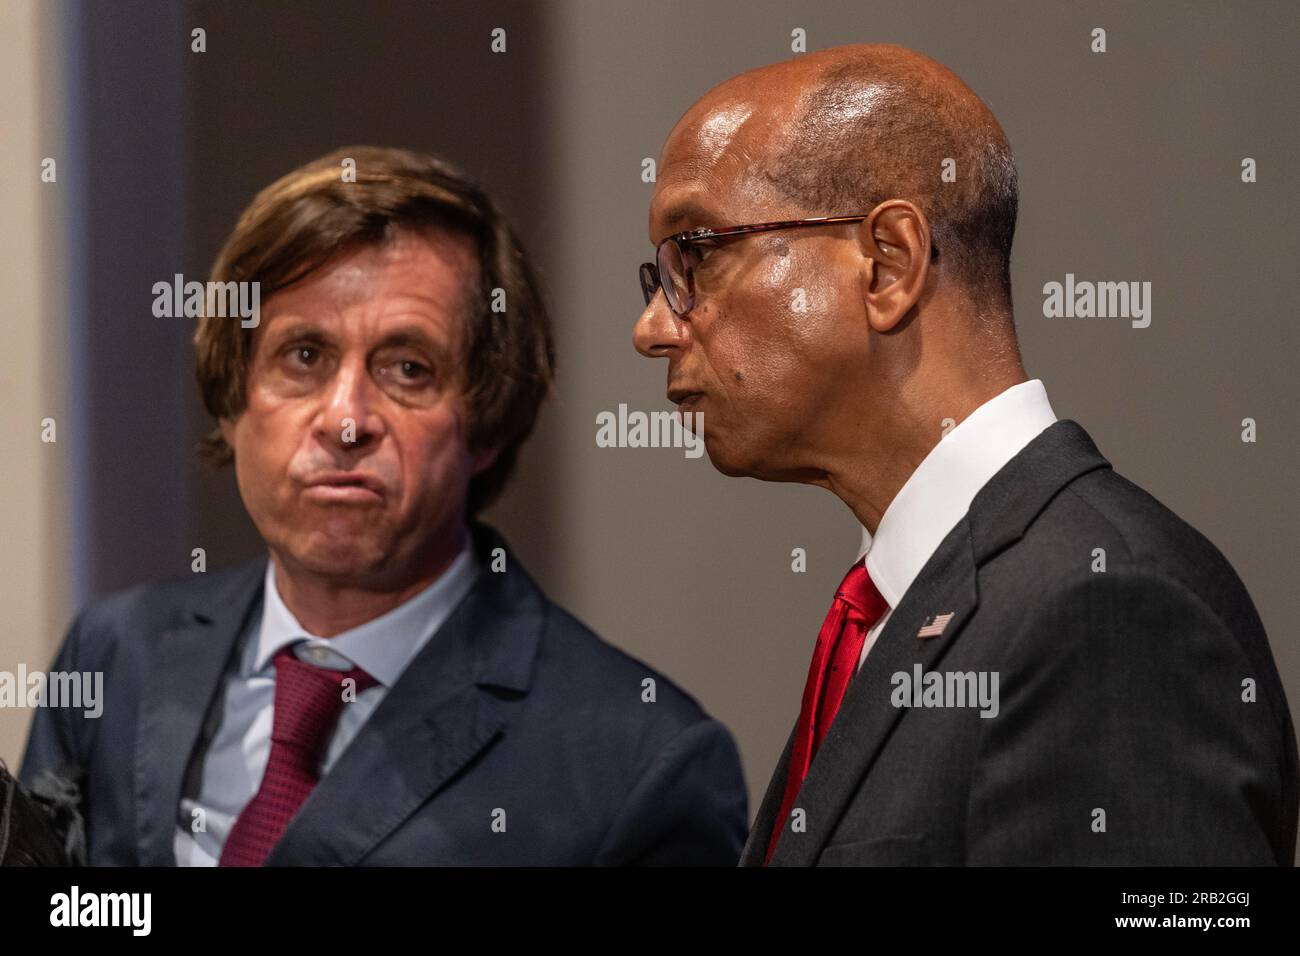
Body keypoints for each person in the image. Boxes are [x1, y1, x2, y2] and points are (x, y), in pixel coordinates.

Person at [633, 44, 1297, 865]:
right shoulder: (899, 607)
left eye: (695, 254)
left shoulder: (1107, 612)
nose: (653, 328)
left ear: (888, 265)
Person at [22, 145, 747, 866]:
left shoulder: (638, 760)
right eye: (303, 356)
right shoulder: (116, 653)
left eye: (408, 369)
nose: (345, 420)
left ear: (488, 422)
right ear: (232, 398)